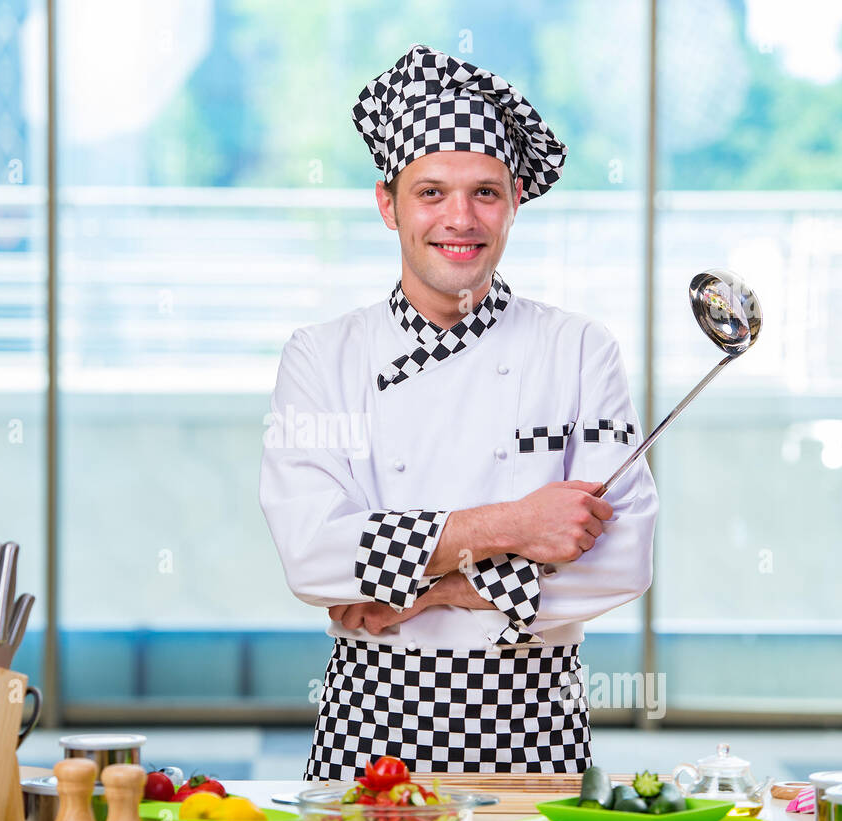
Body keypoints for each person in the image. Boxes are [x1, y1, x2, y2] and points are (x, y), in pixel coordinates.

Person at [259, 44, 658, 780]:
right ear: (389, 204)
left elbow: (623, 557)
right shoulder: (320, 356)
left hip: (536, 726)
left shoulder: (578, 350)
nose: (460, 218)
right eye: (431, 191)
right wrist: (517, 524)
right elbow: (313, 554)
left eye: (485, 192)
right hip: (369, 727)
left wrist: (427, 590)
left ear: (513, 204)